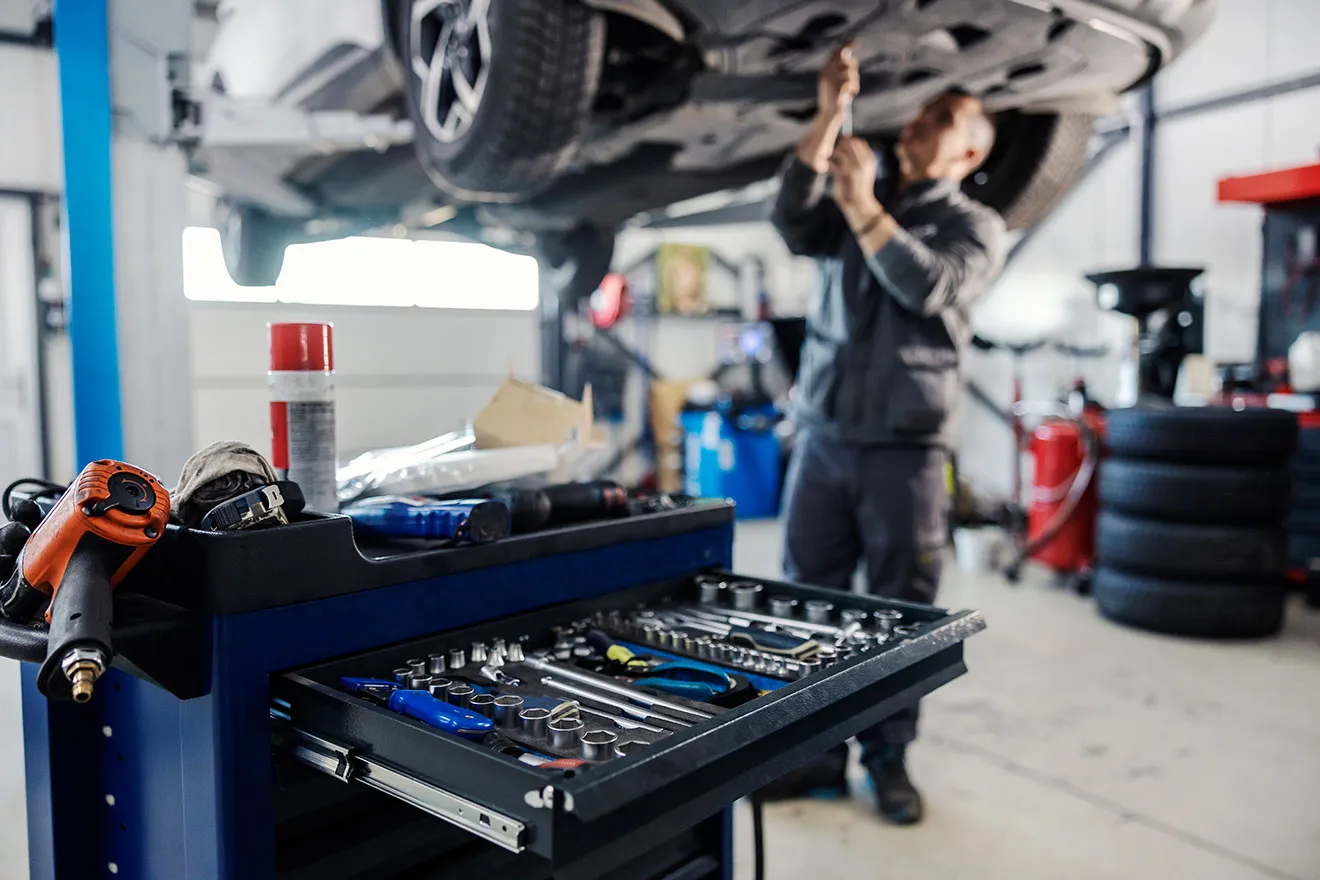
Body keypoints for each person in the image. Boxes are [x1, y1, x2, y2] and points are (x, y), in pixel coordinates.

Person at [766, 43, 1007, 824]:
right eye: (921, 113)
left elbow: (925, 283)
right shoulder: (850, 204)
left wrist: (864, 204)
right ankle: (815, 757)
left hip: (906, 452)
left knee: (899, 615)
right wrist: (828, 115)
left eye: (943, 120)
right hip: (824, 437)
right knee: (806, 603)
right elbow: (789, 217)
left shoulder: (975, 226)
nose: (919, 123)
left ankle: (888, 758)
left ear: (969, 153)